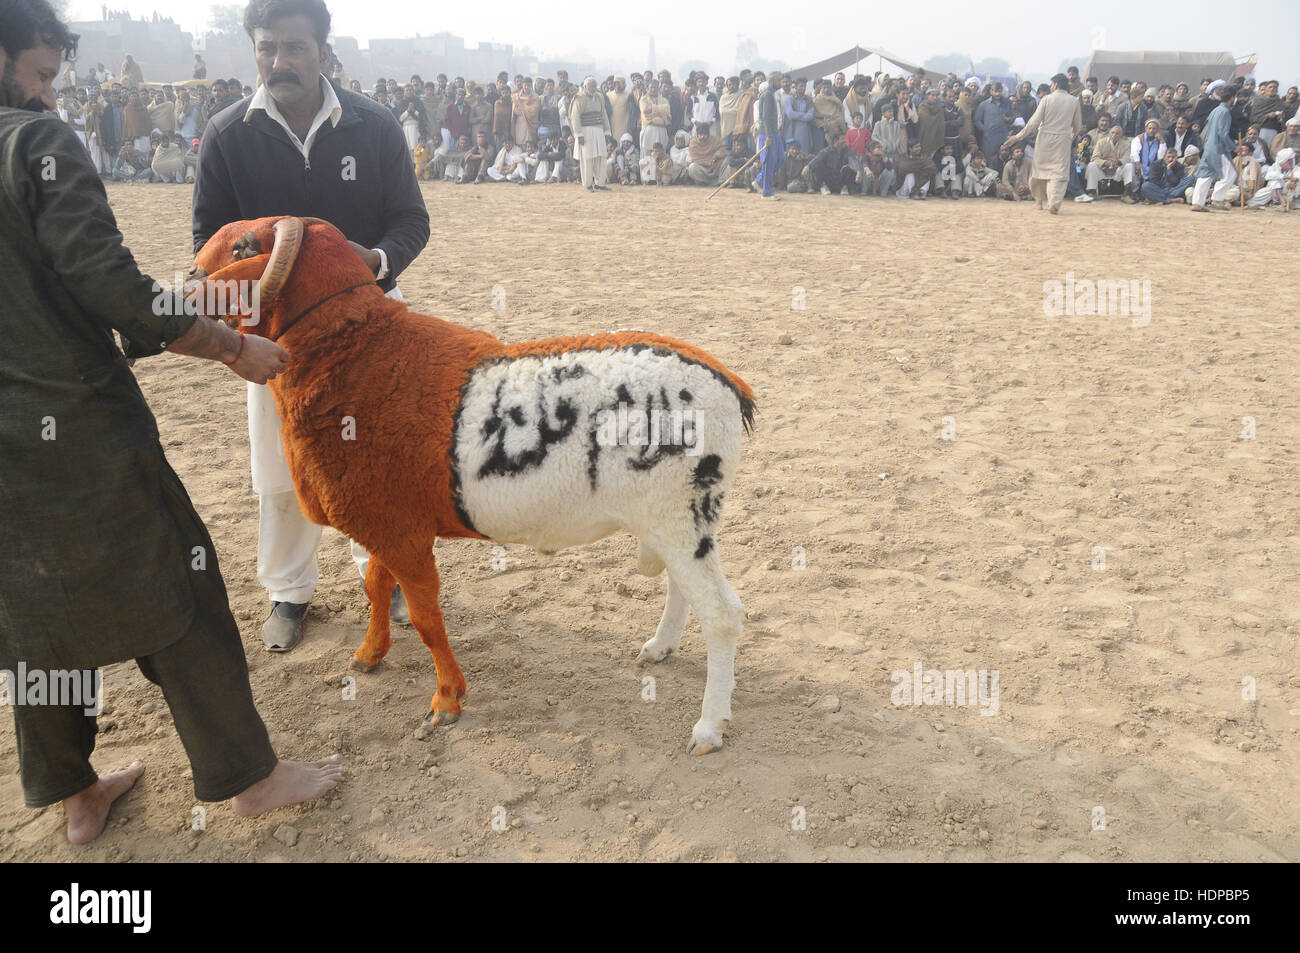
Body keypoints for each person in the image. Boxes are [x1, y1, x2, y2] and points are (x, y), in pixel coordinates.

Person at [0, 0, 345, 844]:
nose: (48, 96)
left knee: (36, 614)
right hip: (78, 423)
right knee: (181, 586)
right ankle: (250, 777)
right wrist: (226, 343)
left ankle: (74, 791)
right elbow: (109, 281)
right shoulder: (35, 145)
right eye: (40, 75)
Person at [193, 0, 429, 650]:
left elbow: (411, 219)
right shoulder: (227, 135)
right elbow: (205, 243)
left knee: (374, 459)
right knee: (278, 470)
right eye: (267, 47)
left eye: (294, 48)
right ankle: (289, 594)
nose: (279, 62)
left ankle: (389, 576)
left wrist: (373, 260)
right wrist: (251, 291)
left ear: (323, 51)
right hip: (275, 340)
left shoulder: (373, 126)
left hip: (369, 328)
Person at [1002, 73, 1083, 213]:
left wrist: (1018, 136)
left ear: (1056, 84)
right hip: (1063, 140)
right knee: (1059, 173)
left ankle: (1039, 202)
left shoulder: (1046, 99)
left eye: (1051, 84)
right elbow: (1078, 125)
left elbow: (1034, 122)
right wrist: (1070, 137)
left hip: (1044, 139)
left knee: (1039, 171)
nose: (1051, 87)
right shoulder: (1074, 101)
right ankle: (1054, 203)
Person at [1191, 82, 1235, 212]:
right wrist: (1234, 147)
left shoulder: (1215, 110)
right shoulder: (1225, 112)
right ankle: (1216, 200)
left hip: (1209, 146)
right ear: (1232, 98)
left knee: (1206, 174)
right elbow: (1223, 134)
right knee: (1231, 173)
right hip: (1219, 148)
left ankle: (1197, 203)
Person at [569, 75, 612, 192]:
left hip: (599, 131)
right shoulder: (579, 98)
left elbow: (604, 115)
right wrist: (578, 135)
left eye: (594, 85)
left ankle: (600, 183)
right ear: (585, 86)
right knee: (587, 159)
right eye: (591, 85)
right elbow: (575, 117)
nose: (593, 88)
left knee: (601, 157)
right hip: (586, 132)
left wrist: (607, 131)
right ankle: (588, 184)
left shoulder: (599, 97)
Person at [752, 76, 784, 200]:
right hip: (767, 133)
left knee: (780, 158)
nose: (780, 83)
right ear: (772, 81)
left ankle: (760, 180)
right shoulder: (767, 95)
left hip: (774, 132)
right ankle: (766, 191)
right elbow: (764, 118)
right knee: (769, 162)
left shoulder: (772, 94)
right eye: (779, 80)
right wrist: (768, 136)